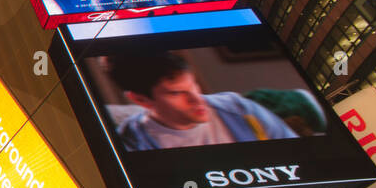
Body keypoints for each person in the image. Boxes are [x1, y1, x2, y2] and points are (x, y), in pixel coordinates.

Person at [103, 52, 298, 151]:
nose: (198, 99)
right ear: (141, 100)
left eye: (193, 85)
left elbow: (297, 153)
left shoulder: (237, 107)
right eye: (177, 93)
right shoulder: (131, 142)